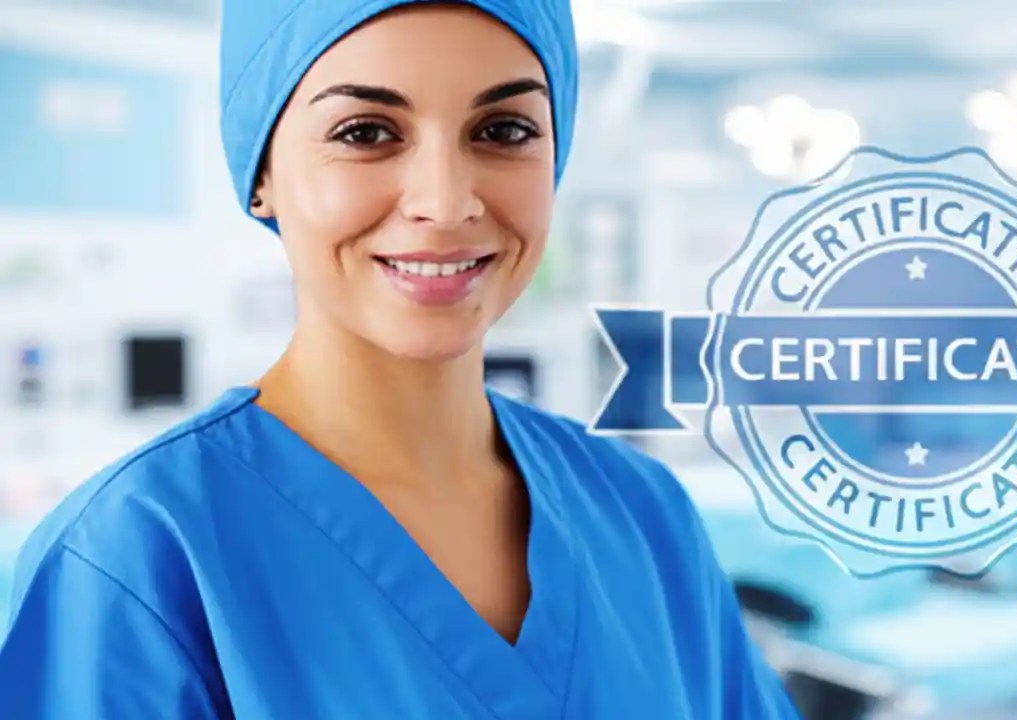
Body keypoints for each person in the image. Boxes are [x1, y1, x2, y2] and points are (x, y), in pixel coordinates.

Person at [0, 1, 801, 718]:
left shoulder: (642, 517)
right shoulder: (136, 556)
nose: (446, 201)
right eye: (367, 134)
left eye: (504, 131)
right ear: (261, 176)